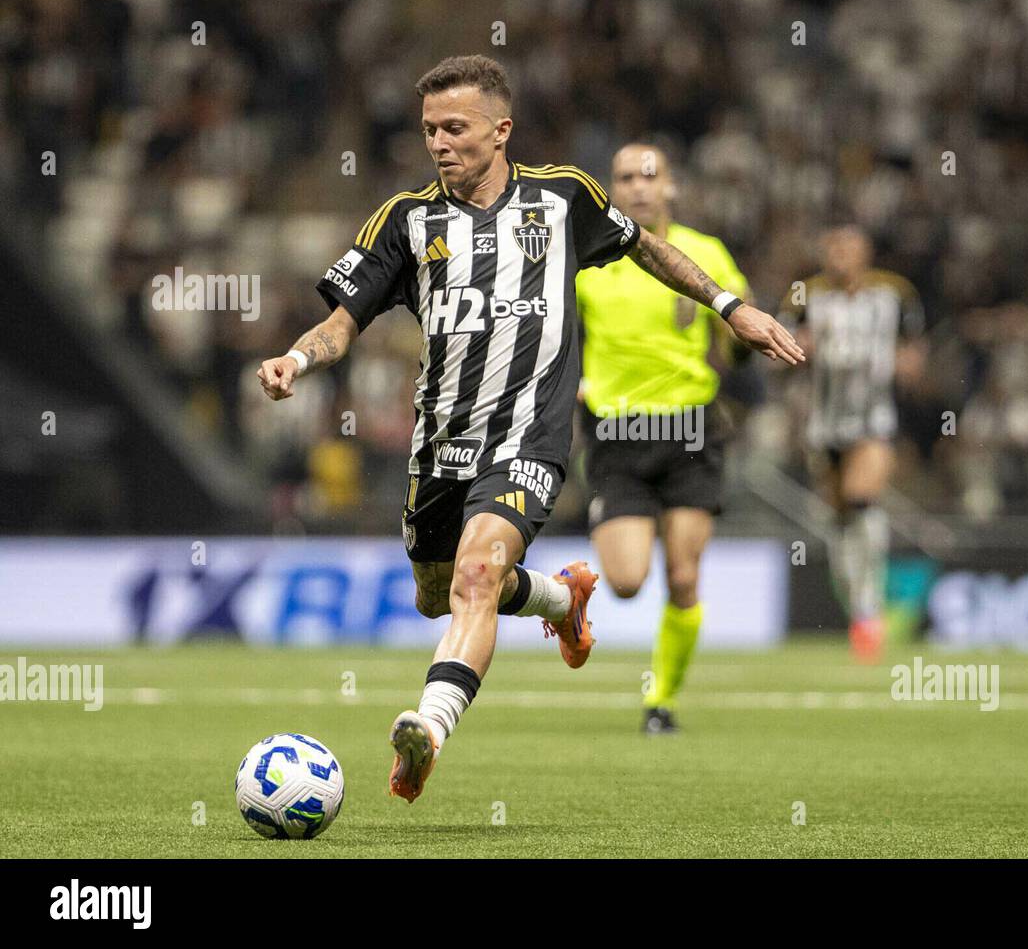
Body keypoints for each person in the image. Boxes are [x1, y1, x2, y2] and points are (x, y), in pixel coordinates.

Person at [255, 55, 803, 802]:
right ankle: (557, 599)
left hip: (531, 440)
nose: (440, 143)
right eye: (429, 130)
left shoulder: (562, 199)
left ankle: (429, 728)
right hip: (440, 443)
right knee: (438, 592)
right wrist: (296, 358)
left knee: (478, 576)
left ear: (501, 129)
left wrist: (730, 306)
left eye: (456, 127)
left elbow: (648, 250)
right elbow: (344, 321)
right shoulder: (406, 220)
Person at [575, 142, 750, 734]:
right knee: (625, 583)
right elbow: (553, 333)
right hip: (616, 431)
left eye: (650, 177)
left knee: (682, 577)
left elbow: (736, 335)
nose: (639, 188)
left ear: (671, 186)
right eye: (626, 177)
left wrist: (747, 344)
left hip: (689, 429)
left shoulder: (705, 254)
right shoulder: (588, 257)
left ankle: (661, 701)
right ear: (612, 188)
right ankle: (567, 604)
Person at [783, 225, 925, 662]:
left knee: (863, 499)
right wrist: (800, 349)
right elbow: (785, 346)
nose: (841, 255)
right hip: (824, 427)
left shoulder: (894, 293)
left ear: (866, 253)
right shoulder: (805, 294)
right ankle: (857, 604)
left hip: (874, 421)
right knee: (839, 517)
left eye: (849, 247)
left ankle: (868, 608)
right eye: (834, 247)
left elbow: (914, 350)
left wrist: (907, 365)